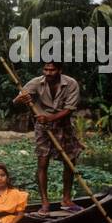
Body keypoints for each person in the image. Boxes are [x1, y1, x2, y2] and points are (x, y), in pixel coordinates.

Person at [13, 59, 83, 214]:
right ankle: (45, 202)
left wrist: (50, 118)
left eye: (51, 70)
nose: (48, 73)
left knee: (69, 161)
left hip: (63, 125)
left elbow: (69, 109)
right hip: (42, 127)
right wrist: (22, 99)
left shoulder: (71, 84)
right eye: (45, 69)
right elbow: (17, 101)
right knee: (43, 162)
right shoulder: (36, 83)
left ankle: (66, 199)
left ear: (59, 70)